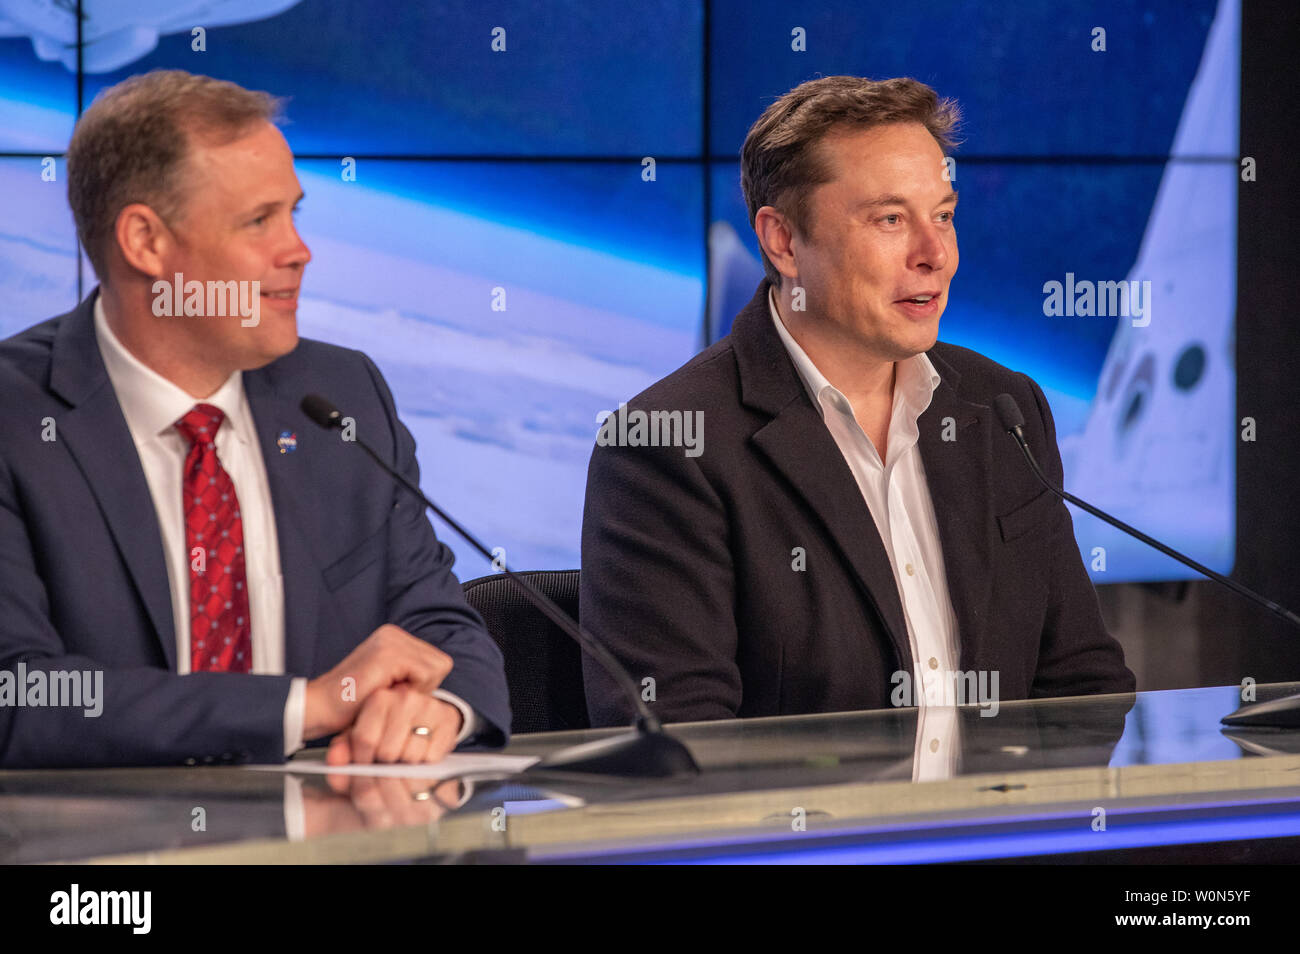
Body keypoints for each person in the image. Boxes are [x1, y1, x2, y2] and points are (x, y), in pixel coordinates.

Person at [580, 76, 1135, 727]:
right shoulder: (667, 446)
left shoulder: (1005, 409)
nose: (936, 254)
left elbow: (1083, 685)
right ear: (784, 241)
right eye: (890, 219)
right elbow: (681, 739)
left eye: (944, 215)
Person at [0, 70, 510, 768]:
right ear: (146, 242)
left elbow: (443, 630)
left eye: (294, 214)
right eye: (259, 220)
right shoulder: (16, 419)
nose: (298, 250)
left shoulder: (344, 397)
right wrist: (304, 708)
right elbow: (19, 695)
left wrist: (437, 708)